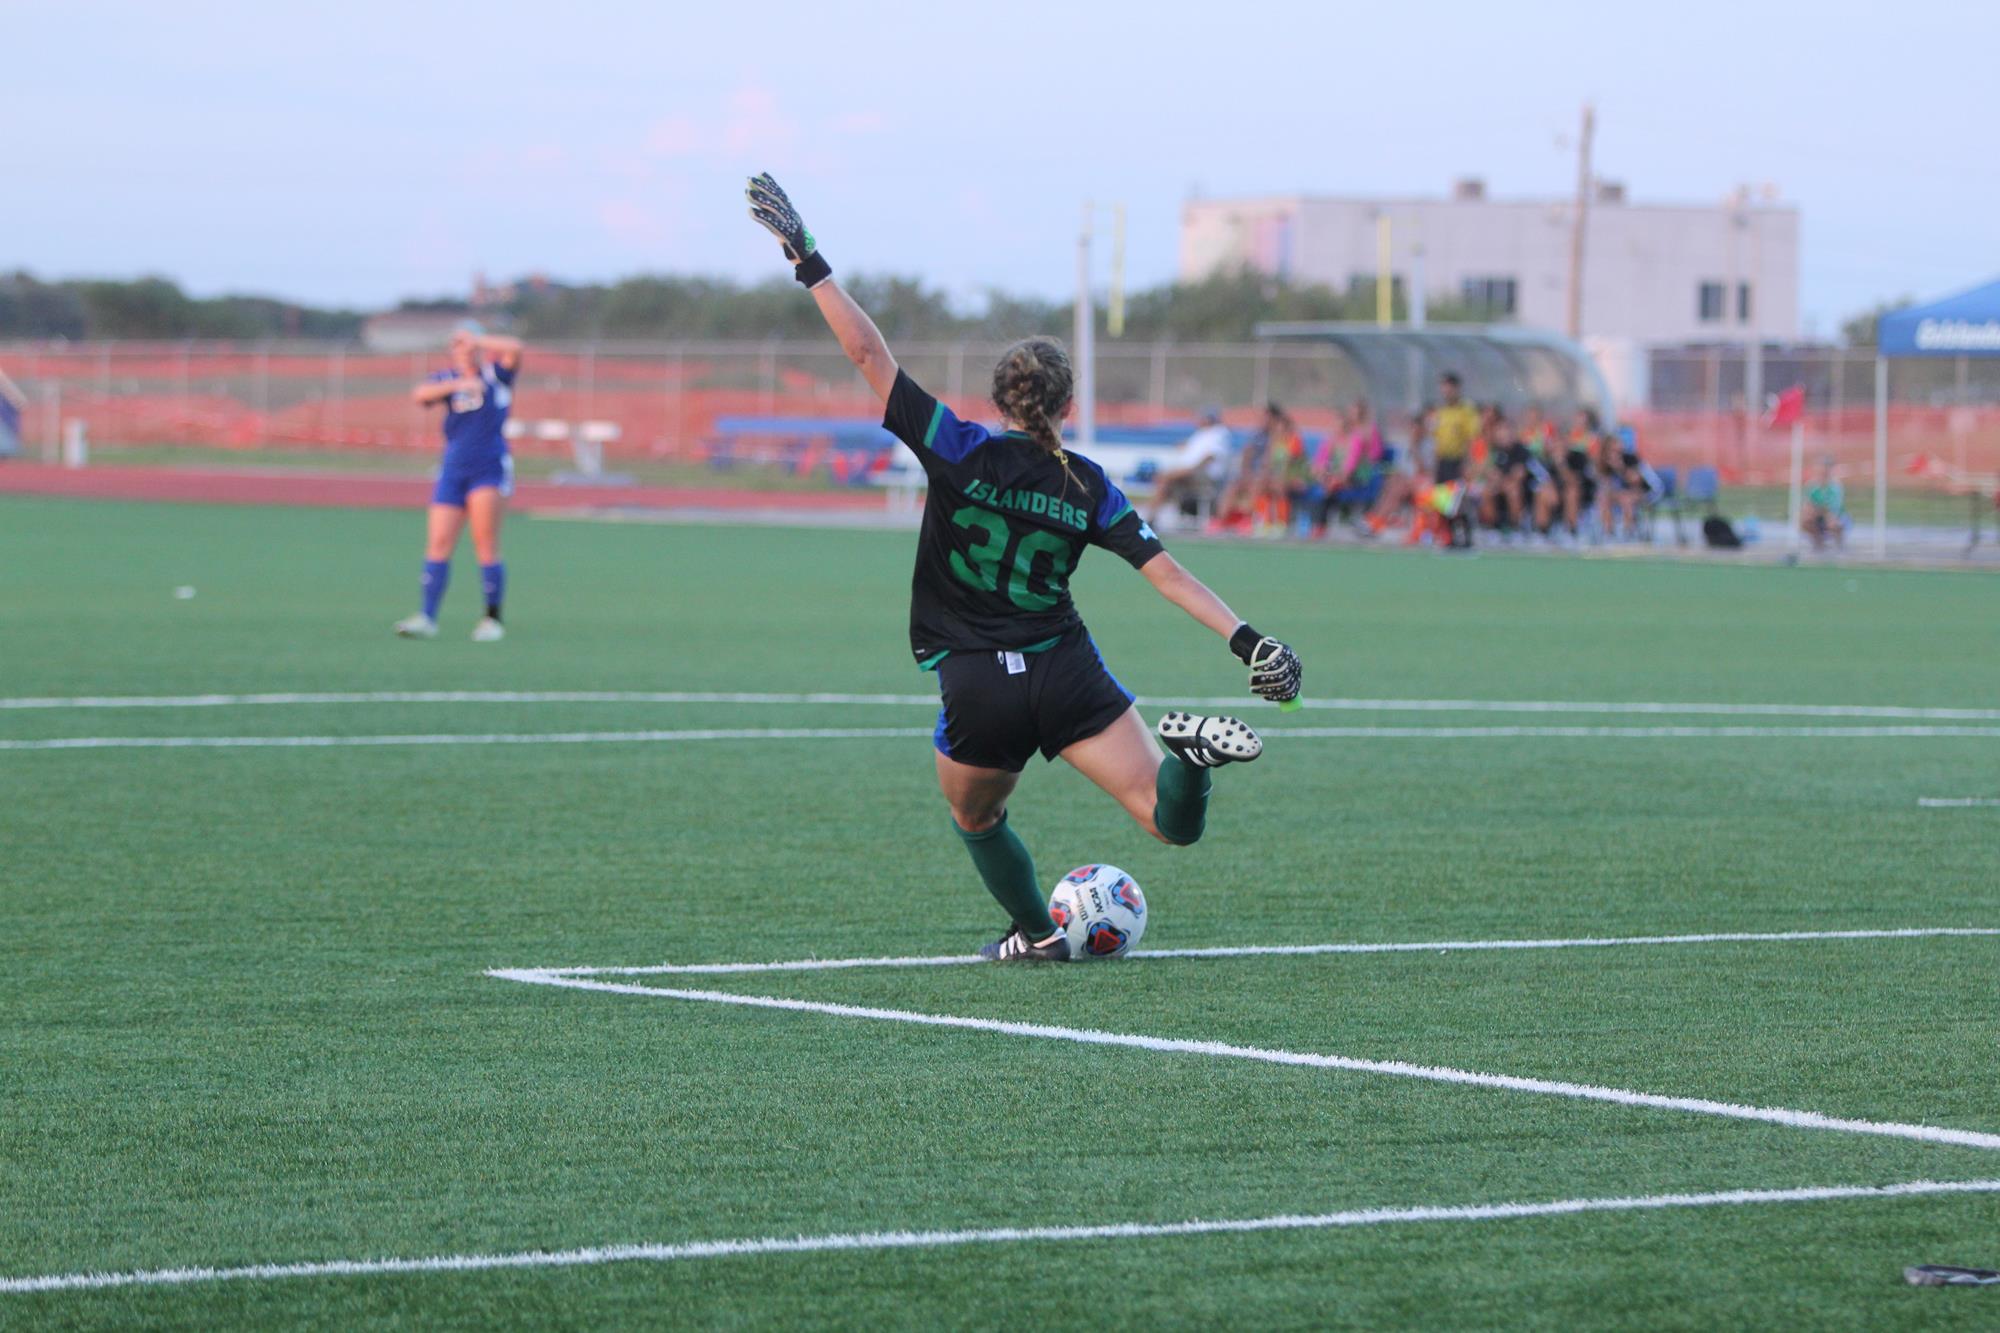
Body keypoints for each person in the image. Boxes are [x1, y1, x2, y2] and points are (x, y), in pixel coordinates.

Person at [746, 173, 1303, 963]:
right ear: (1065, 407)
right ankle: (1189, 764)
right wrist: (1248, 641)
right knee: (1168, 821)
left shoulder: (955, 444)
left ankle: (1036, 930)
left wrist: (808, 259)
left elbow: (866, 351)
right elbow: (1165, 571)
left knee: (977, 819)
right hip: (1065, 667)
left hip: (979, 680)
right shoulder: (1088, 482)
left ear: (999, 398)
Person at [395, 323, 524, 641]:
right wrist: (459, 382)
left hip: (488, 467)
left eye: (466, 343)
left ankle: (492, 619)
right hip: (453, 468)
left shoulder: (495, 375)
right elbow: (420, 394)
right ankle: (428, 616)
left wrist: (477, 339)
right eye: (457, 344)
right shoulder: (446, 379)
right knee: (438, 542)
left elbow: (516, 348)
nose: (462, 349)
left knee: (485, 542)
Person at [1145, 408, 1232, 528]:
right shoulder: (1201, 434)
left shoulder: (1219, 433)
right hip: (1190, 473)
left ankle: (1151, 517)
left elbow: (1210, 457)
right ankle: (1151, 518)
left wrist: (1191, 469)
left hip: (1205, 475)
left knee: (1166, 478)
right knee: (1165, 483)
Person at [1429, 372, 1479, 488]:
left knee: (1455, 498)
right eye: (1444, 388)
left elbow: (1472, 438)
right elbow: (1435, 438)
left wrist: (1468, 462)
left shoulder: (1466, 410)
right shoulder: (1440, 411)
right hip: (1442, 462)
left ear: (1456, 389)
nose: (1446, 392)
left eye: (1449, 388)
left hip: (1458, 461)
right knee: (1440, 497)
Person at [1801, 457, 1849, 550]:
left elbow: (1834, 509)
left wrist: (1818, 510)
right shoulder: (1811, 486)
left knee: (1832, 521)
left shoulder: (1835, 487)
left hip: (1835, 516)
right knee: (1806, 520)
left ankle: (1840, 547)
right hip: (1818, 516)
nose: (1822, 472)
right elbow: (1807, 506)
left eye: (1825, 469)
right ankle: (1819, 545)